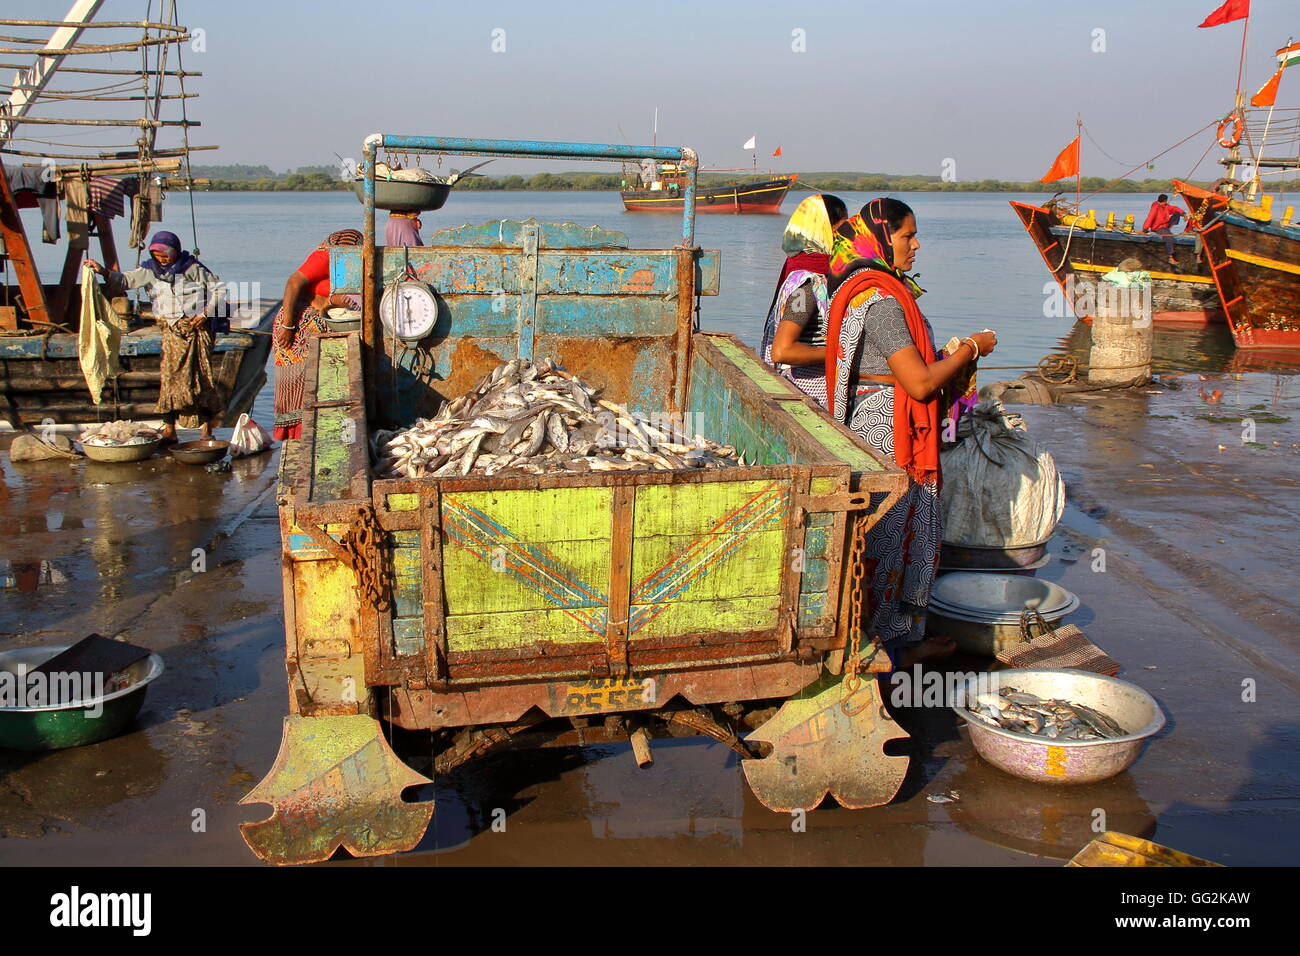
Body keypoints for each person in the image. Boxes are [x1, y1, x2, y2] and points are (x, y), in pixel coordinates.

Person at [824, 199, 997, 669]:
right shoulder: (880, 301)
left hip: (875, 417)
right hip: (887, 429)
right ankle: (886, 648)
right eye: (907, 236)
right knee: (889, 533)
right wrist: (968, 351)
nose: (916, 245)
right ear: (882, 237)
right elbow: (919, 382)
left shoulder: (868, 288)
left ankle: (890, 643)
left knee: (883, 535)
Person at [85, 230, 226, 442]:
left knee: (201, 377)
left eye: (165, 254)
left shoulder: (192, 268)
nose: (161, 259)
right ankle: (170, 429)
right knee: (170, 378)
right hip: (171, 331)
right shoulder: (149, 270)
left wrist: (205, 313)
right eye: (157, 255)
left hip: (197, 330)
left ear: (175, 251)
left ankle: (206, 429)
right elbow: (124, 281)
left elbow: (220, 290)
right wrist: (102, 271)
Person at [272, 229, 363, 440]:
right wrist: (288, 326)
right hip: (296, 330)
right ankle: (296, 435)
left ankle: (316, 431)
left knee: (317, 384)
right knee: (296, 384)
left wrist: (328, 301)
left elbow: (322, 293)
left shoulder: (348, 264)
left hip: (319, 328)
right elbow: (294, 283)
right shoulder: (325, 256)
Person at [759, 194, 848, 407]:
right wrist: (841, 353)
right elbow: (782, 351)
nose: (850, 237)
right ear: (827, 231)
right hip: (808, 391)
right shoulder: (809, 281)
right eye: (844, 229)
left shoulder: (799, 266)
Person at [1143, 194, 1185, 266]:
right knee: (1169, 237)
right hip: (1158, 227)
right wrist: (1145, 229)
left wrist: (1184, 214)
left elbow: (1174, 208)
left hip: (1165, 225)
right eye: (1166, 201)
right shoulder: (1155, 207)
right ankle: (1171, 257)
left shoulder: (1166, 206)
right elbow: (1150, 218)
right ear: (1164, 201)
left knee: (1177, 213)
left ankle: (1168, 229)